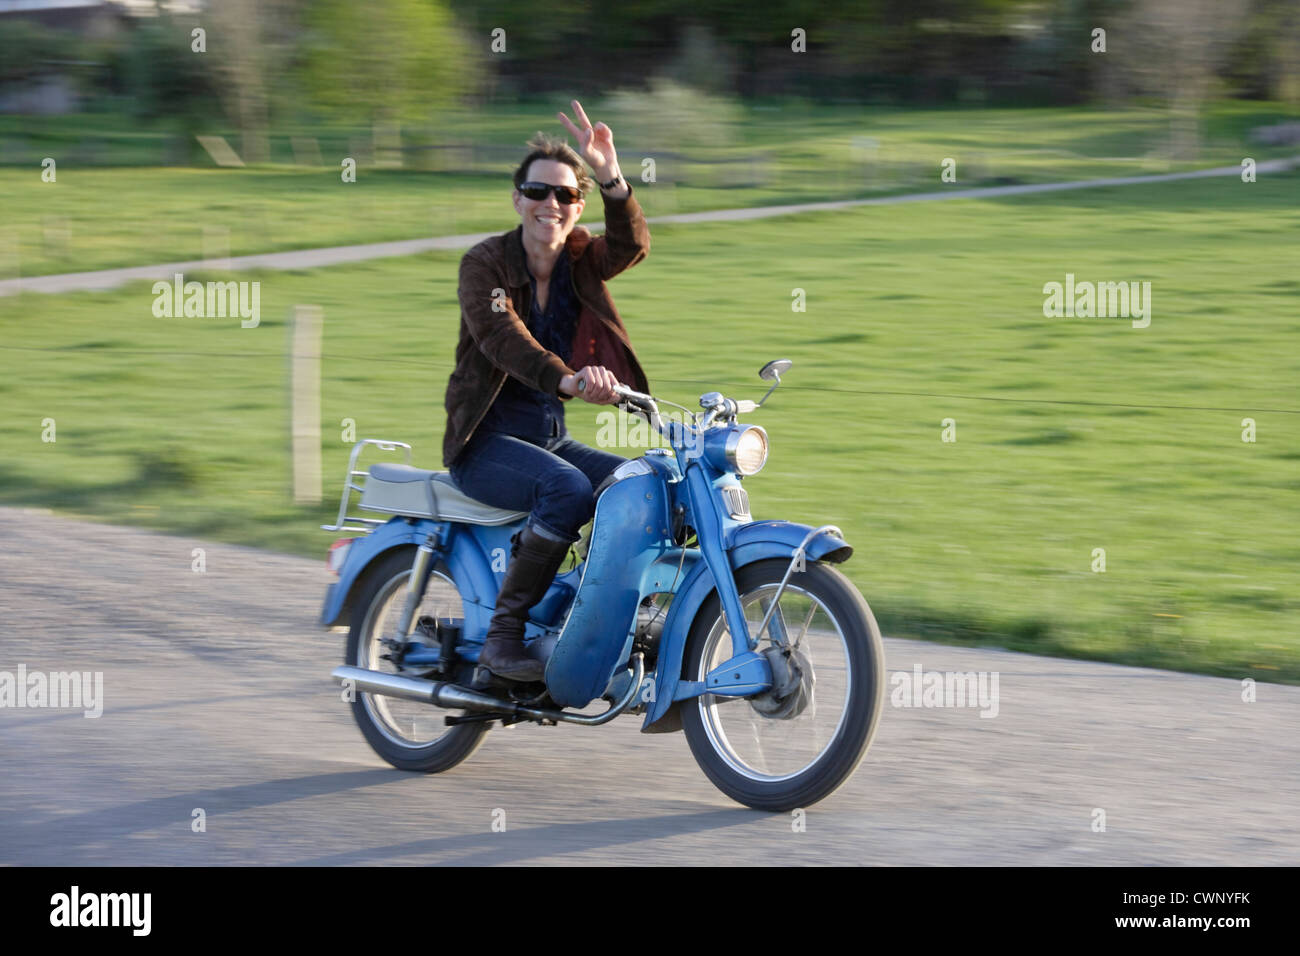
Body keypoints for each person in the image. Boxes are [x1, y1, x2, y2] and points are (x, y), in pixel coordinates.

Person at [443, 100, 651, 682]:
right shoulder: (484, 263)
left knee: (644, 483)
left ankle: (595, 614)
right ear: (517, 199)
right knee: (565, 490)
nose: (550, 205)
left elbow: (631, 245)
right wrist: (565, 377)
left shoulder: (581, 260)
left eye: (564, 195)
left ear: (577, 205)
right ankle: (503, 636)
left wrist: (609, 172)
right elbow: (498, 336)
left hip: (548, 437)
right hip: (482, 441)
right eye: (538, 192)